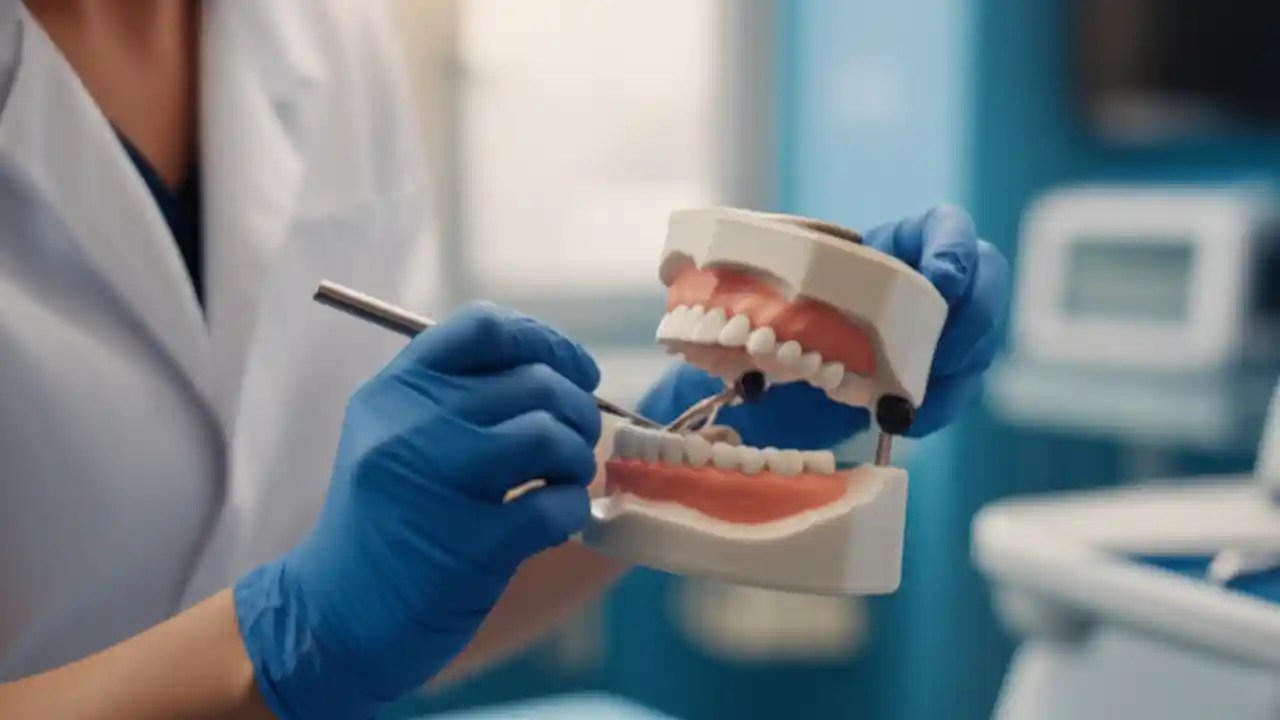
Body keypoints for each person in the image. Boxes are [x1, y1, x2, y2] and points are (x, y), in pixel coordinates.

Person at [0, 1, 1010, 718]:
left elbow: (413, 597)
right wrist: (285, 639)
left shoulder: (330, 34)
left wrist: (698, 436)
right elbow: (337, 619)